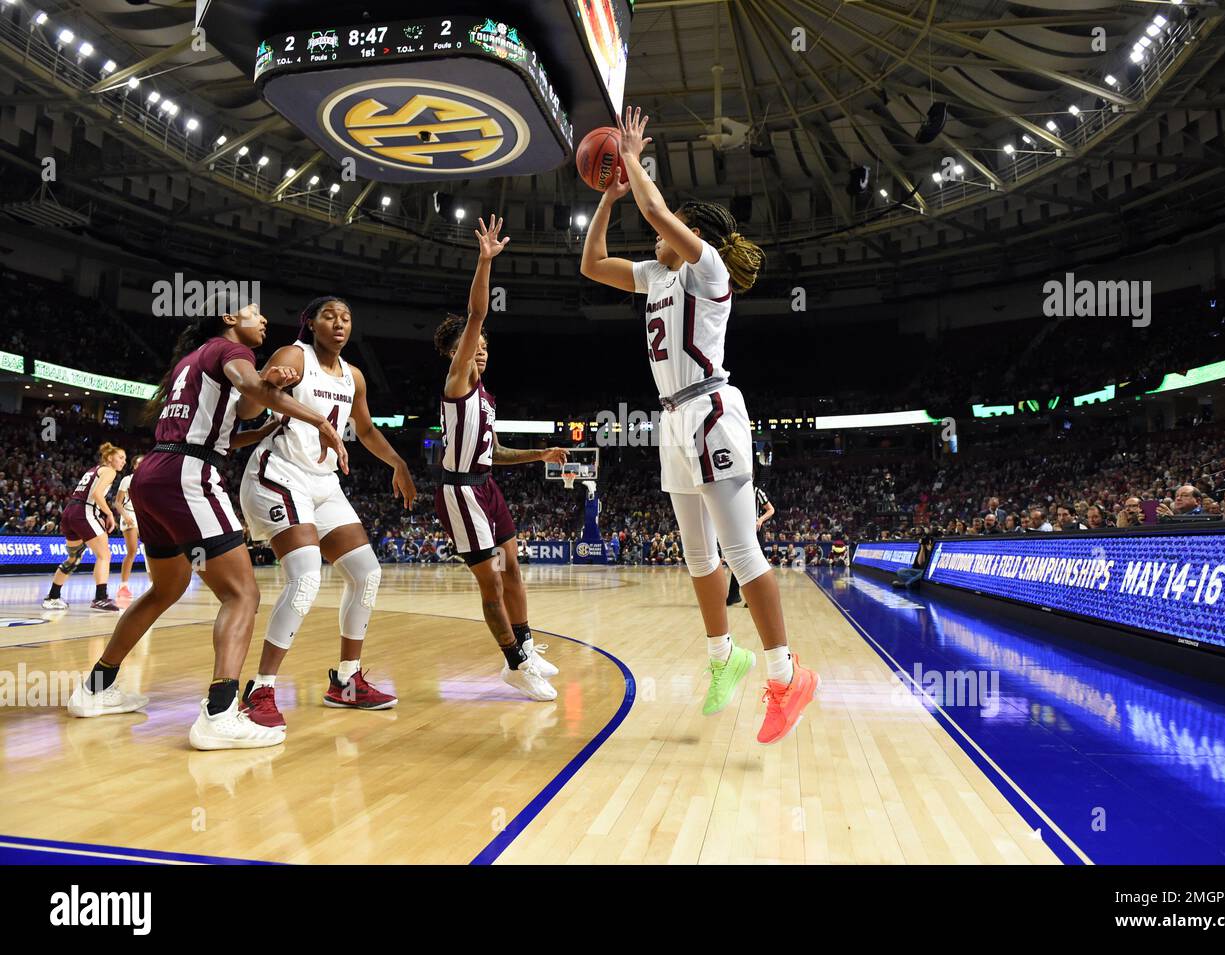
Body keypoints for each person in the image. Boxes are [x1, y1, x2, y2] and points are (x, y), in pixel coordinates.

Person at [580, 106, 818, 743]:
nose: (660, 233)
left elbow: (657, 214)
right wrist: (608, 197)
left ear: (694, 234)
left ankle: (786, 674)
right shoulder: (656, 274)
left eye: (675, 228)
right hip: (671, 420)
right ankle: (724, 659)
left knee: (741, 550)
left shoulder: (707, 268)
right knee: (696, 556)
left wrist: (631, 157)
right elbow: (592, 264)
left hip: (711, 408)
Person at [65, 300, 348, 751]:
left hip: (152, 477)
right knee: (242, 594)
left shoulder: (191, 362)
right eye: (255, 313)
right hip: (188, 477)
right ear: (230, 320)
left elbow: (229, 427)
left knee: (164, 589)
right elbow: (249, 383)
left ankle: (96, 688)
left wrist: (261, 418)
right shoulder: (230, 351)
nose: (263, 319)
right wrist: (318, 420)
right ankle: (219, 713)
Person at [236, 295, 418, 730]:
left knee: (366, 573)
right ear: (311, 324)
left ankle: (347, 681)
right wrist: (270, 382)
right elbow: (247, 409)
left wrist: (399, 463)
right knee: (307, 577)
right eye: (329, 316)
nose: (339, 323)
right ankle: (260, 688)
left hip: (323, 483)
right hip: (279, 473)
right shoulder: (292, 356)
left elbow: (367, 429)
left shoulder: (354, 375)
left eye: (346, 318)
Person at [433, 215, 569, 701]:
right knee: (489, 580)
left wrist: (540, 454)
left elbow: (495, 452)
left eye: (486, 347)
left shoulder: (485, 398)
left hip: (485, 484)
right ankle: (514, 664)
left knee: (512, 567)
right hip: (460, 489)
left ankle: (527, 645)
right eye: (474, 347)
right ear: (456, 354)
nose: (481, 350)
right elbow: (475, 316)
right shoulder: (456, 383)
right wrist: (484, 262)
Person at [42, 442, 126, 612]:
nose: (124, 461)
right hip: (84, 513)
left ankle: (52, 596)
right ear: (110, 458)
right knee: (104, 555)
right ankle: (101, 598)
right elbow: (96, 494)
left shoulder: (93, 470)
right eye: (121, 458)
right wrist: (109, 514)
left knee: (73, 559)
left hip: (70, 513)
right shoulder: (109, 471)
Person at [727, 482, 773, 606]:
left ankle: (756, 597)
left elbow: (771, 509)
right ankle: (733, 595)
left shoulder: (757, 491)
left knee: (756, 563)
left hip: (756, 531)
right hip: (741, 530)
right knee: (738, 562)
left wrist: (760, 519)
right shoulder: (735, 492)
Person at [114, 454, 146, 601]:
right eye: (139, 463)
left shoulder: (149, 481)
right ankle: (123, 586)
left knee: (149, 551)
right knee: (132, 551)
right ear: (134, 466)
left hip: (144, 517)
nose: (142, 466)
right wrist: (126, 516)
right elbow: (118, 503)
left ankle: (154, 584)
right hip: (129, 515)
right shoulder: (127, 480)